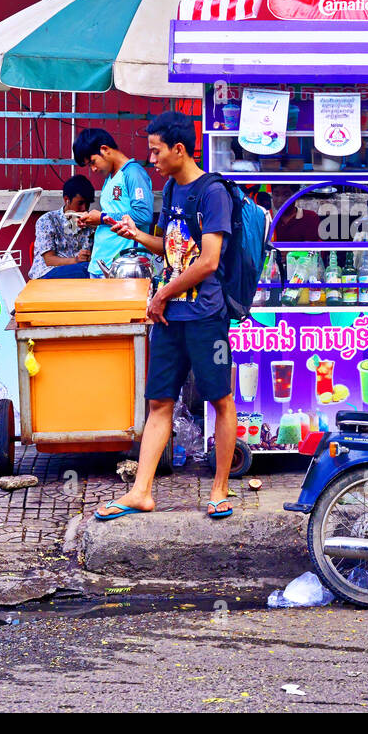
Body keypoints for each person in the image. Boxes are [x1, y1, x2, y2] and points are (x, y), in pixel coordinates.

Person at [93, 110, 238, 522]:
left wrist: (161, 296)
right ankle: (141, 491)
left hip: (205, 315)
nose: (151, 160)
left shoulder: (213, 193)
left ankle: (220, 490)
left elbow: (208, 261)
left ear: (179, 149)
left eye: (156, 152)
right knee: (159, 402)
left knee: (220, 401)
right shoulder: (172, 189)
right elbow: (176, 251)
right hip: (172, 315)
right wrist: (140, 237)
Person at [71, 127, 154, 278]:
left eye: (93, 162)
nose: (93, 169)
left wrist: (102, 217)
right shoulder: (110, 178)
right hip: (102, 263)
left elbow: (143, 214)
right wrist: (93, 220)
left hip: (124, 268)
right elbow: (112, 218)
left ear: (105, 149)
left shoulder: (133, 173)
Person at [29, 176, 96, 280]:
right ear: (67, 200)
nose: (84, 208)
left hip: (77, 273)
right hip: (46, 274)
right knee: (88, 270)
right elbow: (49, 260)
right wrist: (77, 260)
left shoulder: (90, 224)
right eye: (80, 203)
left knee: (94, 269)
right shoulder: (48, 220)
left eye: (87, 204)